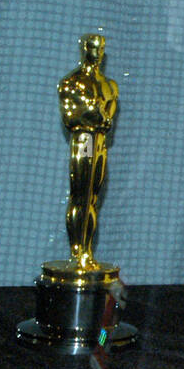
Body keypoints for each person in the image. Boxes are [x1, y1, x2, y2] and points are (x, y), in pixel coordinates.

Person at [58, 34, 118, 270]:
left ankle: (87, 252)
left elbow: (107, 119)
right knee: (80, 196)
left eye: (101, 48)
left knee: (93, 197)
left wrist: (95, 114)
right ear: (84, 49)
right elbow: (71, 117)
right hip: (83, 139)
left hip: (100, 142)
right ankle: (77, 252)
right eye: (93, 47)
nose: (98, 52)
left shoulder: (110, 85)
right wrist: (93, 114)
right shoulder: (71, 82)